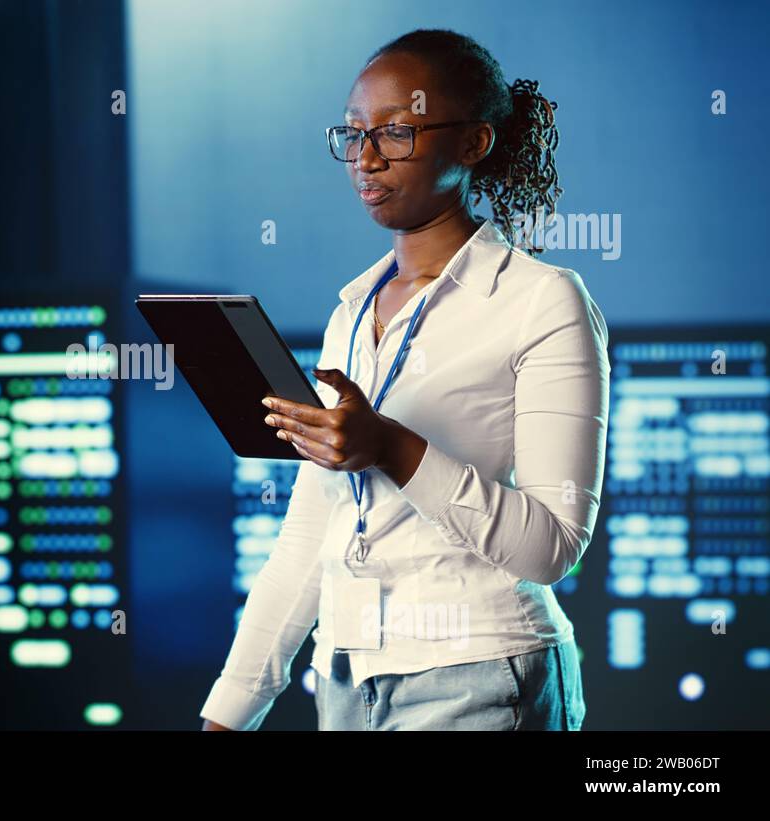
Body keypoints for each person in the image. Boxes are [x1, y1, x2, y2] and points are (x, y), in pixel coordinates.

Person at [199, 29, 607, 731]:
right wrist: (230, 712)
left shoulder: (542, 300)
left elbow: (550, 548)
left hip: (482, 676)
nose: (366, 157)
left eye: (396, 131)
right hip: (346, 684)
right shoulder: (352, 313)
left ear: (474, 143)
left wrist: (391, 446)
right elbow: (309, 535)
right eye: (353, 133)